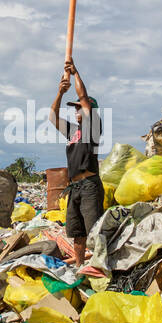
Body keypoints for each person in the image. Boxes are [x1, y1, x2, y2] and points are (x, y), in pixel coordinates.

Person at [49, 59, 102, 265]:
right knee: (77, 233)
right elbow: (53, 117)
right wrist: (60, 93)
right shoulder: (73, 131)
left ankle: (100, 267)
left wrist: (76, 72)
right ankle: (80, 267)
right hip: (75, 187)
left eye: (79, 108)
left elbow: (83, 97)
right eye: (75, 109)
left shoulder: (94, 127)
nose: (76, 111)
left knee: (94, 232)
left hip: (89, 185)